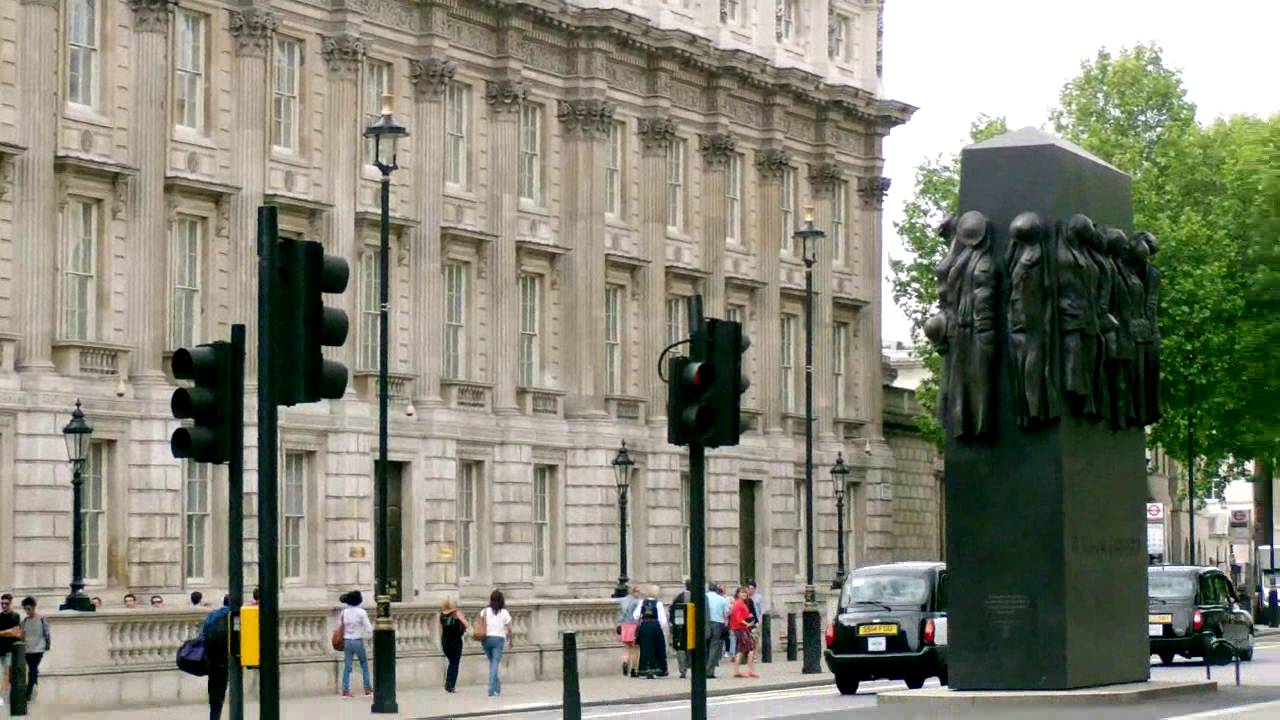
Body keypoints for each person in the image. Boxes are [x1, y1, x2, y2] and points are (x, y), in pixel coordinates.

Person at [337, 591, 373, 697]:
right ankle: (367, 688)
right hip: (357, 640)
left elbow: (340, 625)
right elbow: (369, 628)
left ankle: (345, 689)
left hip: (347, 641)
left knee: (347, 666)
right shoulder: (361, 612)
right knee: (364, 664)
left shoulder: (344, 612)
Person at [202, 595, 231, 720]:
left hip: (212, 657)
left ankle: (214, 716)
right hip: (227, 658)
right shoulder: (235, 615)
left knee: (215, 691)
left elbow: (204, 633)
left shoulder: (213, 615)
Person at [479, 589, 513, 697]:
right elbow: (510, 628)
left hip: (486, 640)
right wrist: (511, 640)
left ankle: (497, 689)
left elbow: (480, 624)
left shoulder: (484, 611)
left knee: (493, 664)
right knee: (495, 664)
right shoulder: (504, 612)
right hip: (498, 640)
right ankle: (491, 688)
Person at [633, 584, 668, 679]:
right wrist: (659, 627)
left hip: (645, 626)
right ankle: (656, 668)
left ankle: (644, 669)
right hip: (655, 626)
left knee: (645, 647)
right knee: (657, 648)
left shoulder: (642, 602)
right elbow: (663, 620)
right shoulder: (658, 604)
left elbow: (636, 615)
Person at [20, 597, 49, 703]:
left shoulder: (41, 619)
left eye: (28, 609)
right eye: (25, 609)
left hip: (38, 649)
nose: (27, 611)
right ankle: (35, 688)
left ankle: (28, 693)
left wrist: (47, 646)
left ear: (33, 607)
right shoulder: (24, 621)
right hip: (28, 650)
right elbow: (22, 635)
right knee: (33, 670)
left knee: (32, 670)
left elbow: (46, 633)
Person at [439, 597, 468, 693]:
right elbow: (465, 623)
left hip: (445, 641)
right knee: (455, 663)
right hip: (455, 641)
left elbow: (440, 631)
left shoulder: (442, 615)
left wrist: (442, 641)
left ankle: (448, 683)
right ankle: (451, 685)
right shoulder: (457, 613)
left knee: (451, 662)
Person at [728, 586, 758, 678]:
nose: (744, 594)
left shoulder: (742, 603)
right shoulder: (738, 604)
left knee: (740, 649)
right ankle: (749, 670)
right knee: (750, 648)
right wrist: (747, 624)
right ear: (738, 594)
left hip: (742, 628)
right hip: (741, 629)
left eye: (745, 592)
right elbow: (738, 618)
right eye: (742, 592)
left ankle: (739, 671)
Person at [669, 580, 693, 679]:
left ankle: (682, 670)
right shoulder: (699, 597)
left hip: (680, 626)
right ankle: (691, 665)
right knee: (692, 648)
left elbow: (672, 611)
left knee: (681, 648)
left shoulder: (678, 597)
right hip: (693, 627)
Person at [0, 594, 21, 703]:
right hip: (1, 650)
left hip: (10, 650)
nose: (3, 605)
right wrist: (8, 632)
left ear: (11, 603)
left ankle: (3, 698)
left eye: (6, 603)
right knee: (5, 674)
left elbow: (16, 633)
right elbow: (12, 632)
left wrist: (3, 633)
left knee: (7, 674)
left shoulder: (15, 616)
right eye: (2, 603)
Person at [704, 584, 728, 678]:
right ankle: (710, 671)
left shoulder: (704, 598)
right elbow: (725, 613)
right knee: (714, 647)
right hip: (718, 623)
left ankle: (703, 668)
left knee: (705, 647)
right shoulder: (722, 599)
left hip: (705, 623)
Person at [617, 585, 641, 677]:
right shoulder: (636, 602)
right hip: (634, 626)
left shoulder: (622, 600)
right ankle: (634, 669)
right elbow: (638, 615)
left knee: (626, 647)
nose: (639, 594)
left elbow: (620, 614)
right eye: (638, 592)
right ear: (634, 592)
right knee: (635, 648)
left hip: (624, 626)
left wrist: (619, 623)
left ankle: (625, 662)